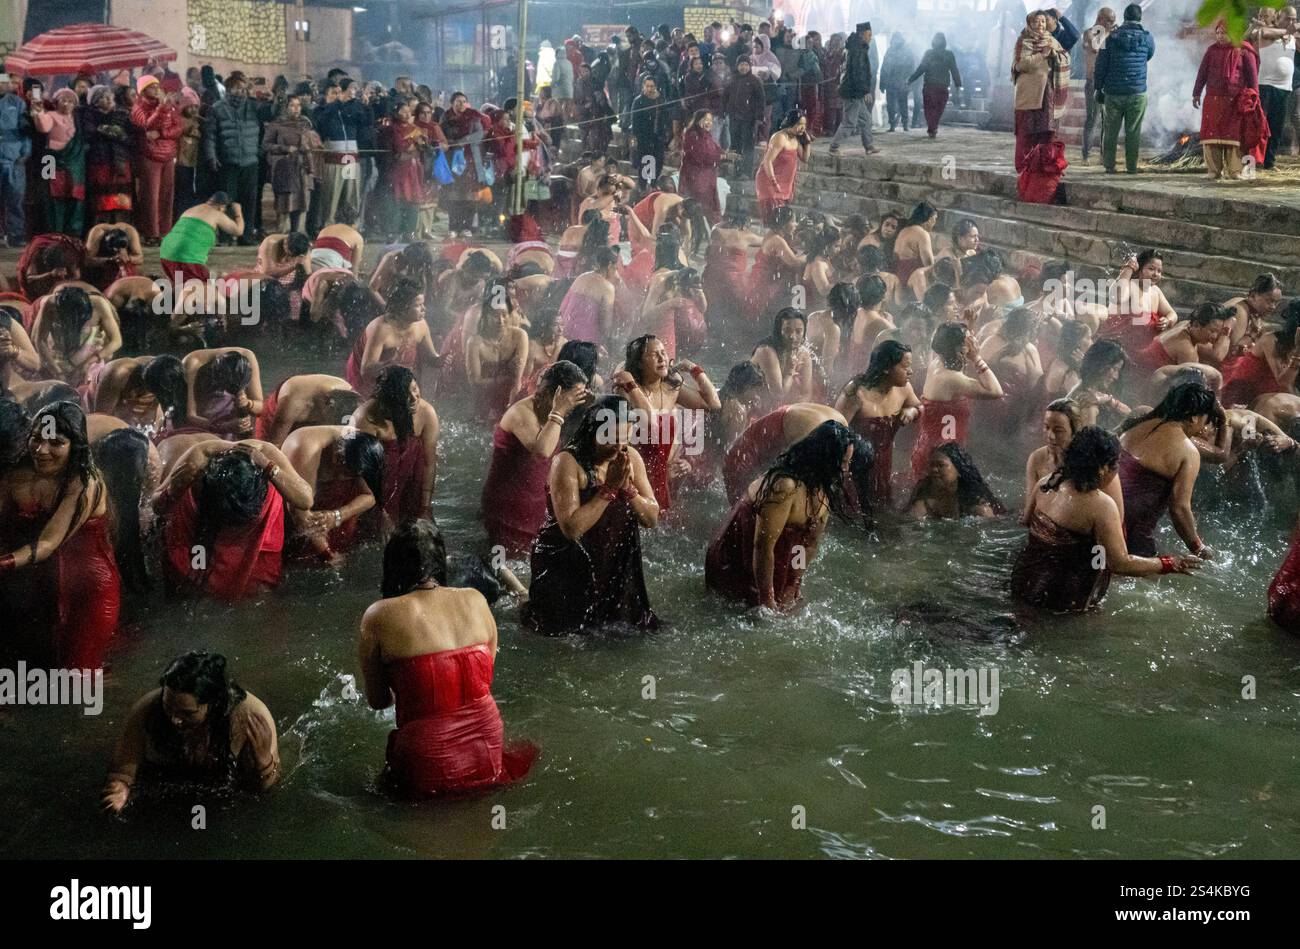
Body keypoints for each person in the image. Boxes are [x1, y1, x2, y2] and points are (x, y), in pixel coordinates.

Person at [357, 521, 536, 797]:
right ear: (440, 562)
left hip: (424, 760)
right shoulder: (475, 600)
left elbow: (378, 701)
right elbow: (485, 677)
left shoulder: (377, 616)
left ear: (392, 566)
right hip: (486, 749)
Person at [1013, 426, 1199, 612]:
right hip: (1059, 599)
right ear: (1102, 469)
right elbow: (1120, 563)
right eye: (1116, 465)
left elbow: (1028, 522)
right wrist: (1168, 563)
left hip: (1021, 582)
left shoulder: (1046, 483)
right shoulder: (1101, 506)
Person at [524, 394, 661, 635]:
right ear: (593, 432)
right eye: (611, 440)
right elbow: (572, 528)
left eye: (624, 439)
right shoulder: (567, 463)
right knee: (566, 634)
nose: (619, 448)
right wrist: (608, 490)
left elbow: (651, 518)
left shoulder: (630, 458)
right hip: (565, 563)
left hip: (614, 561)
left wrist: (628, 490)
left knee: (619, 632)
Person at [0, 402, 119, 668]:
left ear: (74, 446)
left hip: (87, 591)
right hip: (36, 586)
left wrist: (2, 564)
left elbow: (46, 543)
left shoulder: (85, 483)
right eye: (36, 439)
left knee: (76, 681)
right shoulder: (17, 473)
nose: (41, 451)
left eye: (55, 443)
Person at [707, 419, 870, 609]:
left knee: (790, 604)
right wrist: (767, 600)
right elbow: (762, 547)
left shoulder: (823, 492)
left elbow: (805, 545)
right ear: (824, 459)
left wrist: (794, 583)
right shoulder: (785, 486)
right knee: (753, 612)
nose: (845, 470)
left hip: (773, 557)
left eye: (848, 463)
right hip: (737, 557)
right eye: (841, 462)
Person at [101, 652, 280, 814]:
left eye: (187, 713)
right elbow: (122, 771)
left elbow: (266, 789)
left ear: (213, 703)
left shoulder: (250, 718)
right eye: (168, 707)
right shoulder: (147, 710)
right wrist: (118, 791)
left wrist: (264, 762)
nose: (174, 719)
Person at [152, 437, 312, 598]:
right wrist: (173, 488)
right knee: (192, 582)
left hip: (256, 532)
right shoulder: (199, 457)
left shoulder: (266, 453)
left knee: (260, 590)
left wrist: (269, 466)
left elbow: (305, 499)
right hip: (204, 530)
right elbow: (158, 507)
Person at [481, 360, 589, 556]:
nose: (575, 403)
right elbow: (542, 451)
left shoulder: (559, 413)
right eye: (572, 397)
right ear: (553, 393)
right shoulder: (520, 412)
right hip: (508, 508)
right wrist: (559, 411)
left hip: (539, 505)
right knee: (508, 566)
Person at [613, 334, 720, 510]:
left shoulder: (670, 388)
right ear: (639, 363)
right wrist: (630, 384)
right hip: (637, 476)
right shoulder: (628, 390)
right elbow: (651, 423)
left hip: (667, 471)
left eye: (663, 352)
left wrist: (694, 369)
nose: (662, 358)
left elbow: (713, 404)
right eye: (654, 354)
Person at [1116, 382, 1217, 558]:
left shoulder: (1139, 421)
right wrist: (1199, 548)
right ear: (1193, 417)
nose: (1204, 426)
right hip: (1132, 536)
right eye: (1205, 418)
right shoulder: (1188, 451)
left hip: (1104, 518)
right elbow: (1179, 509)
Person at [911, 322, 1004, 480]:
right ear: (957, 348)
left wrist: (968, 326)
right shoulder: (950, 378)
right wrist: (977, 358)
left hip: (932, 449)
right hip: (941, 458)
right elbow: (996, 391)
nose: (973, 343)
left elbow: (959, 363)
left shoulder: (938, 363)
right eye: (968, 341)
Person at [836, 341, 922, 509]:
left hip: (883, 464)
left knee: (881, 509)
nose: (910, 371)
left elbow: (920, 407)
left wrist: (912, 412)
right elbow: (836, 432)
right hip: (854, 467)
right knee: (854, 511)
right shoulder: (856, 392)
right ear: (886, 367)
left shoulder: (904, 388)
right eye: (905, 367)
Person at [281, 425, 384, 563]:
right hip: (288, 499)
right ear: (338, 458)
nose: (346, 478)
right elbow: (298, 512)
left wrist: (338, 515)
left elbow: (370, 496)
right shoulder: (306, 449)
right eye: (347, 474)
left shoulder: (361, 447)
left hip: (326, 500)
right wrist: (327, 555)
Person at [352, 366, 439, 525]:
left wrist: (426, 508)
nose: (414, 398)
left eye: (415, 389)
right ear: (391, 399)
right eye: (406, 395)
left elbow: (428, 462)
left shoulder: (426, 413)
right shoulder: (365, 419)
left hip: (411, 473)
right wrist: (380, 512)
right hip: (377, 479)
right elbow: (360, 473)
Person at [345, 278, 440, 398]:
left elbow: (431, 357)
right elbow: (366, 370)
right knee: (370, 410)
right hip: (365, 379)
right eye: (418, 305)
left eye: (423, 304)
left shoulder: (421, 325)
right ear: (402, 307)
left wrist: (440, 360)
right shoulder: (381, 329)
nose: (424, 309)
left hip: (396, 376)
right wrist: (390, 365)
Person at [1193, 20, 1261, 181]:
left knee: (1234, 137)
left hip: (1235, 101)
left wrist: (1255, 98)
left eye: (1224, 32)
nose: (1220, 36)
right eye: (1218, 32)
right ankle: (1214, 171)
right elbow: (1202, 73)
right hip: (1213, 100)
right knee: (1211, 136)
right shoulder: (1211, 51)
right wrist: (1196, 93)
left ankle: (1235, 171)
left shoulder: (1244, 51)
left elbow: (1252, 78)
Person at [203, 77, 262, 243]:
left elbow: (271, 111)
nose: (240, 91)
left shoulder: (252, 106)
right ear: (228, 89)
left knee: (249, 201)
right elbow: (210, 136)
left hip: (250, 161)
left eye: (243, 88)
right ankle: (226, 235)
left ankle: (247, 235)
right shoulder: (217, 109)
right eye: (237, 88)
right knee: (227, 201)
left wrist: (278, 100)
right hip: (228, 161)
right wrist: (211, 156)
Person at [1012, 11, 1069, 173]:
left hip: (1048, 93)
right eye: (1037, 21)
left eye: (1043, 21)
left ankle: (1044, 165)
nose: (1040, 25)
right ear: (1030, 23)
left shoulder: (1051, 40)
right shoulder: (1023, 41)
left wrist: (1055, 54)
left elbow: (1066, 57)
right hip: (1029, 94)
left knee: (1047, 131)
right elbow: (1020, 65)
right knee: (1026, 132)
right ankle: (1023, 167)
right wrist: (1042, 54)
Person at [129, 75, 183, 244]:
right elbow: (147, 125)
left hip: (168, 155)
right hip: (150, 156)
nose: (157, 90)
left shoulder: (169, 107)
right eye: (152, 87)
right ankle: (152, 232)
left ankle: (165, 231)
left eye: (158, 86)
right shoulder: (138, 108)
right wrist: (161, 109)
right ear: (143, 90)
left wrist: (162, 134)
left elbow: (178, 127)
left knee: (167, 195)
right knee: (150, 196)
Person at [1221, 299, 1300, 407]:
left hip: (1280, 398)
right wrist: (1298, 351)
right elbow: (1284, 384)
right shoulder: (1270, 340)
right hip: (1245, 399)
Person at [29, 88, 85, 236]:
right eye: (63, 100)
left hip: (74, 160)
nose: (67, 104)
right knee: (51, 195)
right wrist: (39, 112)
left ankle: (72, 233)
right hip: (51, 159)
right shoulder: (51, 115)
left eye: (71, 101)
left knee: (74, 194)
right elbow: (43, 127)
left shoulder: (78, 119)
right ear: (56, 102)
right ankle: (54, 231)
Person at [159, 193, 245, 285]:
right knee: (202, 290)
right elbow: (239, 231)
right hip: (187, 258)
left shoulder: (190, 210)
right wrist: (238, 212)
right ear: (221, 207)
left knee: (179, 286)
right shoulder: (216, 213)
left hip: (166, 254)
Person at [262, 95, 319, 233]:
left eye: (298, 105)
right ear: (285, 107)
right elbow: (266, 145)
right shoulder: (276, 125)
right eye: (292, 105)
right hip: (285, 169)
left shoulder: (305, 124)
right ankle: (281, 235)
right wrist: (285, 148)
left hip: (302, 168)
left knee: (300, 203)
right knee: (285, 204)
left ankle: (295, 234)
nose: (296, 109)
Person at [1249, 7, 1296, 171]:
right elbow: (1263, 33)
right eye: (1287, 18)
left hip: (1284, 88)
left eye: (1293, 19)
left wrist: (1292, 31)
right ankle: (1252, 162)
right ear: (1278, 18)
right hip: (1266, 86)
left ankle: (1269, 162)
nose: (1291, 22)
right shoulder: (1265, 31)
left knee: (1276, 127)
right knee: (1260, 126)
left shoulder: (1292, 37)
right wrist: (1286, 30)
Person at [81, 84, 134, 226]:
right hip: (100, 162)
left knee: (121, 199)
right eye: (104, 97)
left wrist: (120, 135)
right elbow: (90, 133)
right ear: (96, 101)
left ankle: (122, 229)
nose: (109, 100)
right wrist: (108, 131)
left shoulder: (123, 115)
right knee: (102, 199)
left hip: (121, 162)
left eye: (110, 96)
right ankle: (101, 230)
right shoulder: (89, 115)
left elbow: (131, 138)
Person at [906, 441, 1003, 519]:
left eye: (941, 465)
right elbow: (908, 519)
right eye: (932, 465)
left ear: (958, 470)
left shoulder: (975, 504)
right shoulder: (924, 488)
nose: (934, 470)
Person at [256, 373, 360, 445]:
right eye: (332, 422)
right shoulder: (294, 400)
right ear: (329, 405)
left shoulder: (350, 399)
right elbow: (272, 447)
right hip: (278, 416)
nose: (331, 426)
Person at [750, 307, 819, 407]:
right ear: (778, 331)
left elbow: (806, 393)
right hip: (754, 407)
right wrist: (790, 370)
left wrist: (796, 410)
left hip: (780, 408)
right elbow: (778, 394)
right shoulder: (767, 352)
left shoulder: (803, 354)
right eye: (787, 330)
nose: (792, 336)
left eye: (798, 331)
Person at [829, 22, 877, 155]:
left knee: (866, 119)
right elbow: (858, 73)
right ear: (862, 34)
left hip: (855, 91)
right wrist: (865, 90)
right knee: (849, 123)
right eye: (869, 35)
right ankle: (834, 146)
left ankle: (869, 146)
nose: (870, 37)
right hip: (852, 91)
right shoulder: (857, 50)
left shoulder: (856, 47)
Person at [755, 108, 810, 223]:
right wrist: (774, 183)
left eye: (804, 124)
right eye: (799, 124)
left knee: (784, 221)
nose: (803, 127)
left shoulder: (795, 139)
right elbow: (767, 161)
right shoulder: (780, 138)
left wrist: (807, 142)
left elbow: (805, 158)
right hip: (770, 182)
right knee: (775, 221)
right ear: (791, 122)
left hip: (785, 184)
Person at [1080, 8, 1118, 165]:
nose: (1111, 24)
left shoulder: (1111, 34)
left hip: (1108, 83)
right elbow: (1096, 47)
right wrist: (1107, 32)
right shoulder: (1090, 33)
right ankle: (1086, 155)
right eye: (1108, 20)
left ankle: (1104, 156)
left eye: (1112, 21)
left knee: (1107, 121)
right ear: (1100, 19)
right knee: (1092, 119)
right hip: (1093, 83)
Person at [908, 33, 963, 138]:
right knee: (938, 109)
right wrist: (958, 85)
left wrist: (910, 79)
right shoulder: (949, 54)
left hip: (929, 86)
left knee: (929, 109)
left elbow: (921, 69)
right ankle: (933, 127)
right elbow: (954, 70)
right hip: (942, 87)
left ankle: (932, 127)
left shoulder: (929, 53)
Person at [725, 56, 766, 177]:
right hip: (734, 117)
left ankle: (746, 171)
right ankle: (737, 170)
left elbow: (761, 100)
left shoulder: (755, 81)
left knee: (748, 145)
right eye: (741, 65)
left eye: (746, 65)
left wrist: (759, 117)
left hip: (749, 118)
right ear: (737, 66)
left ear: (749, 66)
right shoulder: (732, 80)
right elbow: (725, 97)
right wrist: (724, 110)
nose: (743, 67)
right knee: (735, 144)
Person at [680, 110, 724, 223]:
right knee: (699, 209)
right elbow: (700, 156)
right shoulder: (692, 135)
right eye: (706, 120)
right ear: (698, 121)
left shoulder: (707, 135)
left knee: (708, 209)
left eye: (710, 120)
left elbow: (715, 150)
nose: (709, 123)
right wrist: (720, 157)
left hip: (707, 180)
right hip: (696, 179)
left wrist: (725, 154)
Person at [629, 76, 673, 184]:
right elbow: (635, 121)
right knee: (646, 162)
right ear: (643, 86)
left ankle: (653, 184)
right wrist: (636, 137)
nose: (649, 88)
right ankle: (643, 186)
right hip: (644, 137)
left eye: (652, 86)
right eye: (647, 86)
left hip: (658, 137)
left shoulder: (660, 100)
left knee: (658, 161)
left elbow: (666, 117)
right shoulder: (638, 101)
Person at [893, 202, 939, 288]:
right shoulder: (922, 234)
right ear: (929, 219)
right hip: (911, 277)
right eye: (935, 219)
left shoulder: (904, 230)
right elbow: (928, 264)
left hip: (898, 273)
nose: (935, 222)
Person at [880, 33, 916, 132]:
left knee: (892, 105)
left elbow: (885, 68)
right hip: (901, 83)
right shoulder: (907, 51)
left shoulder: (890, 51)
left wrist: (882, 84)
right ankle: (904, 124)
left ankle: (893, 125)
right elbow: (912, 68)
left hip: (892, 83)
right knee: (902, 104)